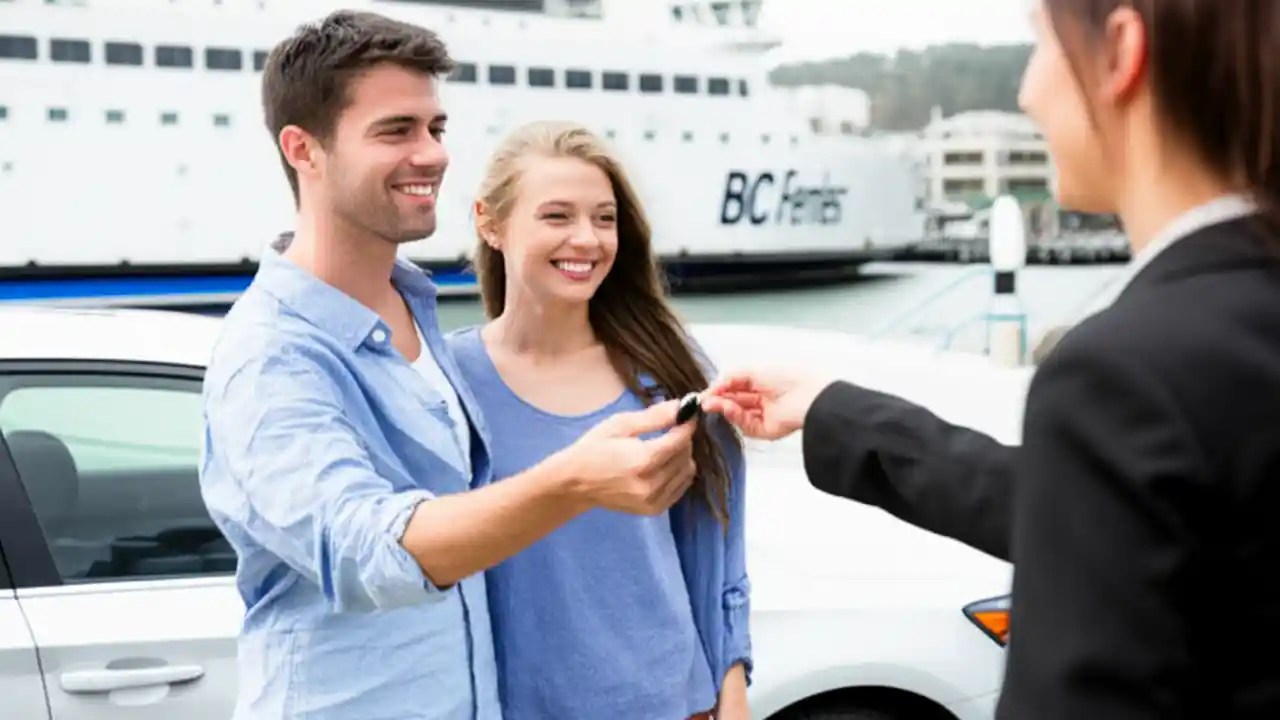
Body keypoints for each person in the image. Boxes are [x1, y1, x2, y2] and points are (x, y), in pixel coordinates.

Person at [704, 1, 1280, 719]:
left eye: (1039, 45)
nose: (1025, 91)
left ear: (1121, 53)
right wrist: (836, 413)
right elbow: (1090, 509)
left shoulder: (1125, 374)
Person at [198, 12, 700, 719]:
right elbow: (365, 549)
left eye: (435, 128)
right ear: (303, 150)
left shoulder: (417, 311)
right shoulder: (271, 356)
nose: (431, 154)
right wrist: (575, 481)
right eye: (395, 131)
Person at [445, 120, 751, 720]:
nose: (586, 239)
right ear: (490, 222)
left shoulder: (667, 371)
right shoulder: (445, 383)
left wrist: (732, 697)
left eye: (604, 219)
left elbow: (718, 554)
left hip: (669, 704)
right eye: (557, 216)